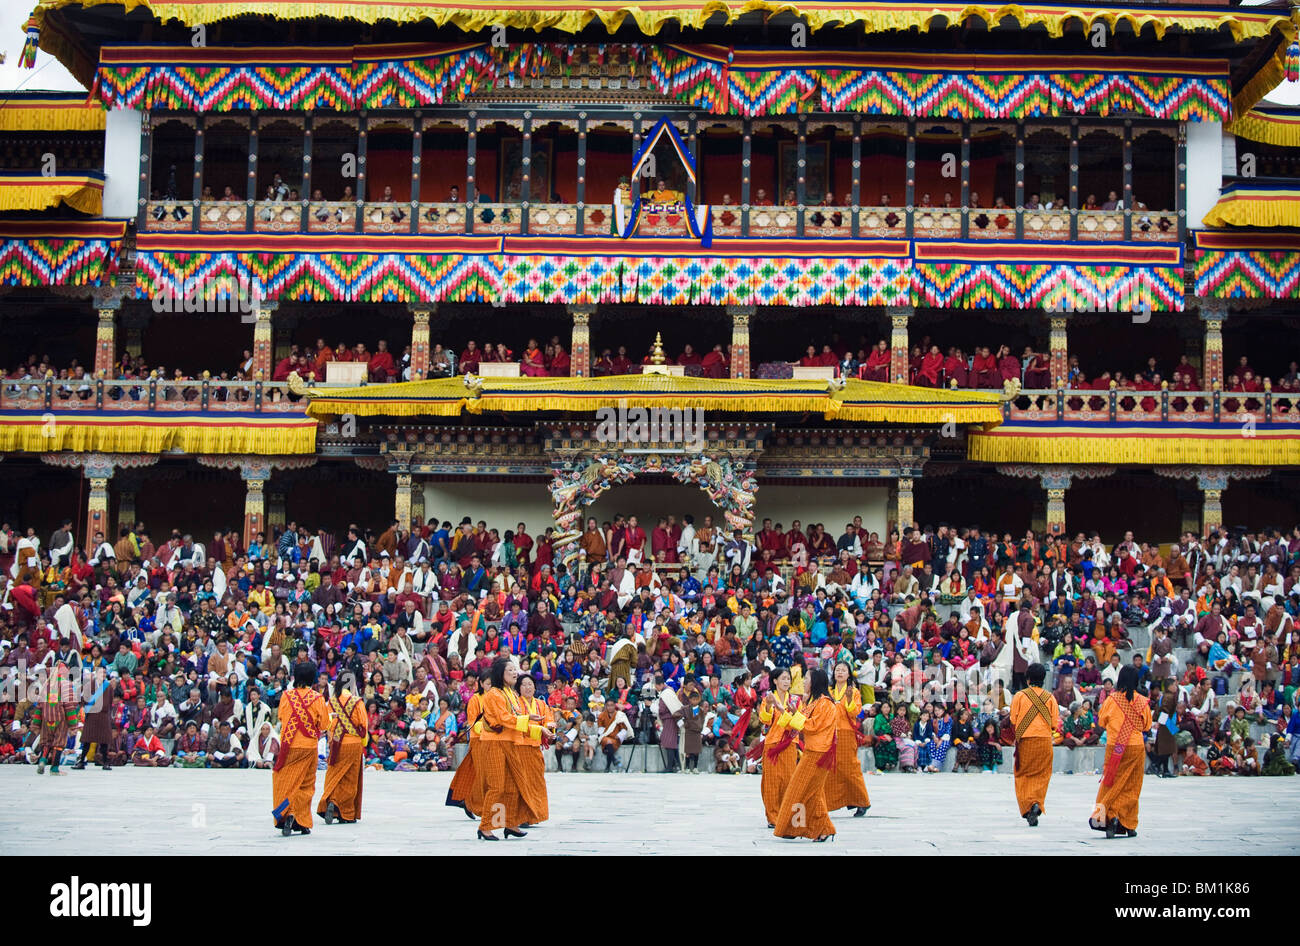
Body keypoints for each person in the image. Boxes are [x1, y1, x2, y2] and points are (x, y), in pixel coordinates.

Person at [476, 656, 539, 841]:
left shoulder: (511, 693)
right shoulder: (494, 694)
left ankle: (510, 824)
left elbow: (517, 718)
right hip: (494, 743)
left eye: (515, 669)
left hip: (510, 742)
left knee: (512, 787)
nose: (514, 673)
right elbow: (504, 719)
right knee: (497, 787)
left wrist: (538, 728)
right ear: (500, 674)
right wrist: (528, 720)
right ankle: (485, 826)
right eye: (510, 670)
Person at [773, 668, 837, 842]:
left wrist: (795, 715)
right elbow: (800, 723)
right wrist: (788, 712)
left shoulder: (826, 704)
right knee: (812, 792)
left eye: (806, 678)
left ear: (815, 681)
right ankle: (823, 828)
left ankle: (796, 828)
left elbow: (812, 726)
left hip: (818, 753)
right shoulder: (814, 702)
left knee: (800, 790)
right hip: (813, 751)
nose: (803, 681)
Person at [1090, 664, 1151, 839]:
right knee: (1132, 786)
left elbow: (1101, 721)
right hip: (1135, 747)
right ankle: (1129, 824)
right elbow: (1146, 725)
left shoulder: (1111, 699)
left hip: (1116, 747)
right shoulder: (1142, 700)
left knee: (1110, 783)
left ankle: (1110, 816)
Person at [272, 662, 331, 836]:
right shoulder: (317, 698)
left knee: (286, 782)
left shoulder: (286, 696)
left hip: (289, 746)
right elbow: (324, 724)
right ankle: (301, 820)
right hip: (309, 746)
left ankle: (286, 813)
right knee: (305, 784)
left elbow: (282, 717)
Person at [1010, 662, 1060, 827]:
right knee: (1042, 774)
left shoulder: (1020, 696)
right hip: (1044, 741)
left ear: (1028, 678)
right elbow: (1054, 723)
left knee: (1022, 775)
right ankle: (1037, 801)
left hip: (1025, 741)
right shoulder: (1050, 697)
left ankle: (1028, 806)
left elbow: (1013, 719)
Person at [319, 674, 367, 825]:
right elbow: (363, 725)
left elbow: (326, 723)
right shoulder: (356, 701)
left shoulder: (332, 702)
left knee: (334, 774)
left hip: (336, 741)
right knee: (350, 778)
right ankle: (345, 812)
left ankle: (331, 800)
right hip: (352, 743)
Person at [823, 660, 870, 816]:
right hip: (830, 732)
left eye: (843, 670)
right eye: (837, 670)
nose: (840, 672)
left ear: (849, 674)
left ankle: (862, 801)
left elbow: (854, 712)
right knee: (830, 768)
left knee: (850, 767)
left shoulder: (854, 691)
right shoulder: (828, 690)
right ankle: (829, 803)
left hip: (845, 732)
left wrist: (849, 699)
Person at [758, 666, 802, 828]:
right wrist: (770, 706)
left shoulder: (796, 701)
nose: (786, 681)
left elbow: (797, 723)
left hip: (789, 743)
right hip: (772, 743)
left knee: (788, 780)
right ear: (775, 681)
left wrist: (786, 712)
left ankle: (787, 815)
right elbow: (765, 720)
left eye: (788, 678)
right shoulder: (768, 699)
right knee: (771, 782)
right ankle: (773, 817)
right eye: (783, 678)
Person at [446, 671, 489, 819]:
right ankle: (469, 801)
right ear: (481, 683)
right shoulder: (475, 699)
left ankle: (470, 800)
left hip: (493, 741)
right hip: (478, 740)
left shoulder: (496, 698)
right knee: (477, 773)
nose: (490, 686)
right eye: (487, 683)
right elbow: (472, 722)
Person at [514, 674, 553, 827]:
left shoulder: (541, 704)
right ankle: (522, 815)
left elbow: (549, 719)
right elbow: (515, 722)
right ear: (519, 688)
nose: (528, 687)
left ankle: (535, 813)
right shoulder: (516, 704)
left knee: (536, 782)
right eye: (524, 685)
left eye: (530, 684)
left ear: (535, 687)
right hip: (519, 746)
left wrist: (550, 730)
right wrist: (539, 729)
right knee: (522, 782)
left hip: (535, 747)